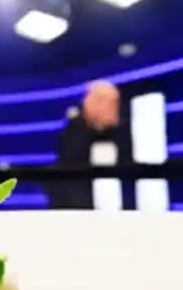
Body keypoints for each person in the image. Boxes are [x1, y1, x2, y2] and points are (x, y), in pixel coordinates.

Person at [47, 80, 132, 209]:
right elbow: (70, 162)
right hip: (79, 206)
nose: (113, 107)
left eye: (115, 102)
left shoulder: (123, 131)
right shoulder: (75, 129)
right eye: (107, 102)